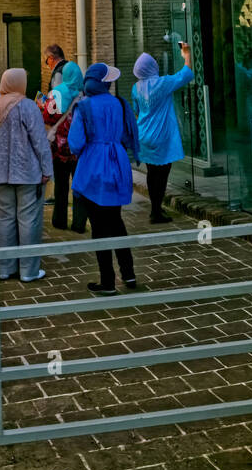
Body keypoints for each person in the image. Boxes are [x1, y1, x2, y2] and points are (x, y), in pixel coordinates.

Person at [69, 62, 140, 296]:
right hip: (117, 161)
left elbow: (76, 142)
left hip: (93, 163)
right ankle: (128, 272)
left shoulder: (84, 106)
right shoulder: (120, 103)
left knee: (99, 225)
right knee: (116, 220)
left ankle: (108, 281)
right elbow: (129, 133)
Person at [0, 68, 53, 282]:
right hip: (27, 173)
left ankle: (5, 268)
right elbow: (40, 142)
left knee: (4, 219)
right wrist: (46, 169)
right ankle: (28, 270)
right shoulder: (27, 106)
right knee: (28, 219)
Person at [132, 44, 194, 223]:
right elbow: (185, 74)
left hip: (144, 135)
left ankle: (154, 208)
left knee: (152, 174)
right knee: (163, 174)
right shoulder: (162, 84)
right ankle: (156, 211)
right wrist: (187, 55)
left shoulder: (136, 88)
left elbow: (136, 110)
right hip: (161, 136)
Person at [42, 60, 87, 232]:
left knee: (61, 185)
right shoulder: (84, 94)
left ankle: (59, 220)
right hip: (79, 148)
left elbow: (47, 117)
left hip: (59, 148)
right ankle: (79, 223)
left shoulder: (56, 93)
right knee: (79, 185)